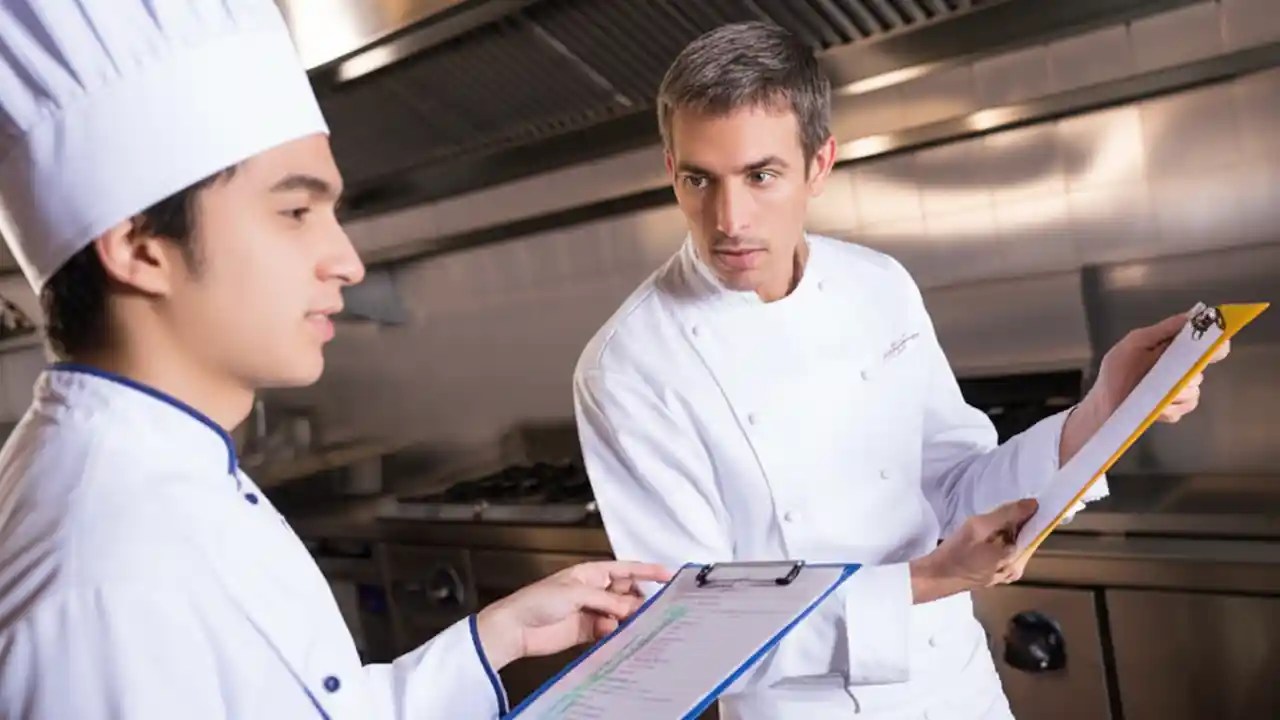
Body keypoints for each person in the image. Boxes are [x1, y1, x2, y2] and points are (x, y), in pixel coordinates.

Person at [0, 2, 669, 718]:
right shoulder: (103, 583)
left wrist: (493, 639)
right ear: (141, 250)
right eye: (295, 212)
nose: (348, 263)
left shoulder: (166, 473)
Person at [572, 21, 1225, 719]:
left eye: (761, 175)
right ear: (672, 169)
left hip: (957, 687)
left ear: (819, 164)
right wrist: (924, 579)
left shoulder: (877, 285)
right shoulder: (631, 367)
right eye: (700, 179)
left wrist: (1103, 413)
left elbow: (955, 488)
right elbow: (694, 636)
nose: (729, 218)